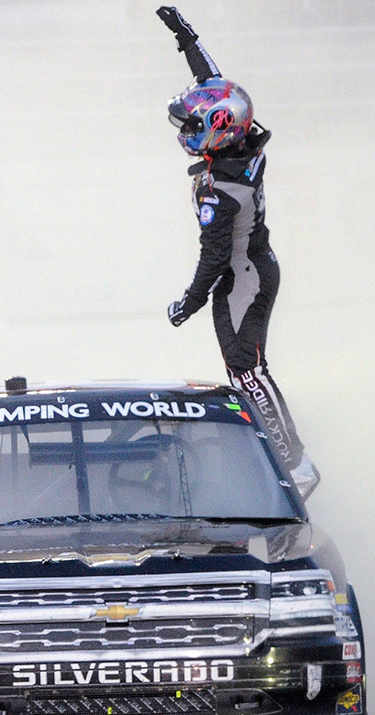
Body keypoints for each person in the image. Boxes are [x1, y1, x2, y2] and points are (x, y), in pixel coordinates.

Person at [156, 6, 320, 497]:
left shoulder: (220, 190)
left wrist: (188, 302)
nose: (185, 133)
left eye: (193, 125)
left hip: (242, 276)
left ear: (219, 128)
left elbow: (212, 256)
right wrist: (186, 36)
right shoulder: (243, 139)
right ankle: (281, 453)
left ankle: (294, 461)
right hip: (253, 267)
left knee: (246, 367)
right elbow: (212, 78)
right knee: (243, 365)